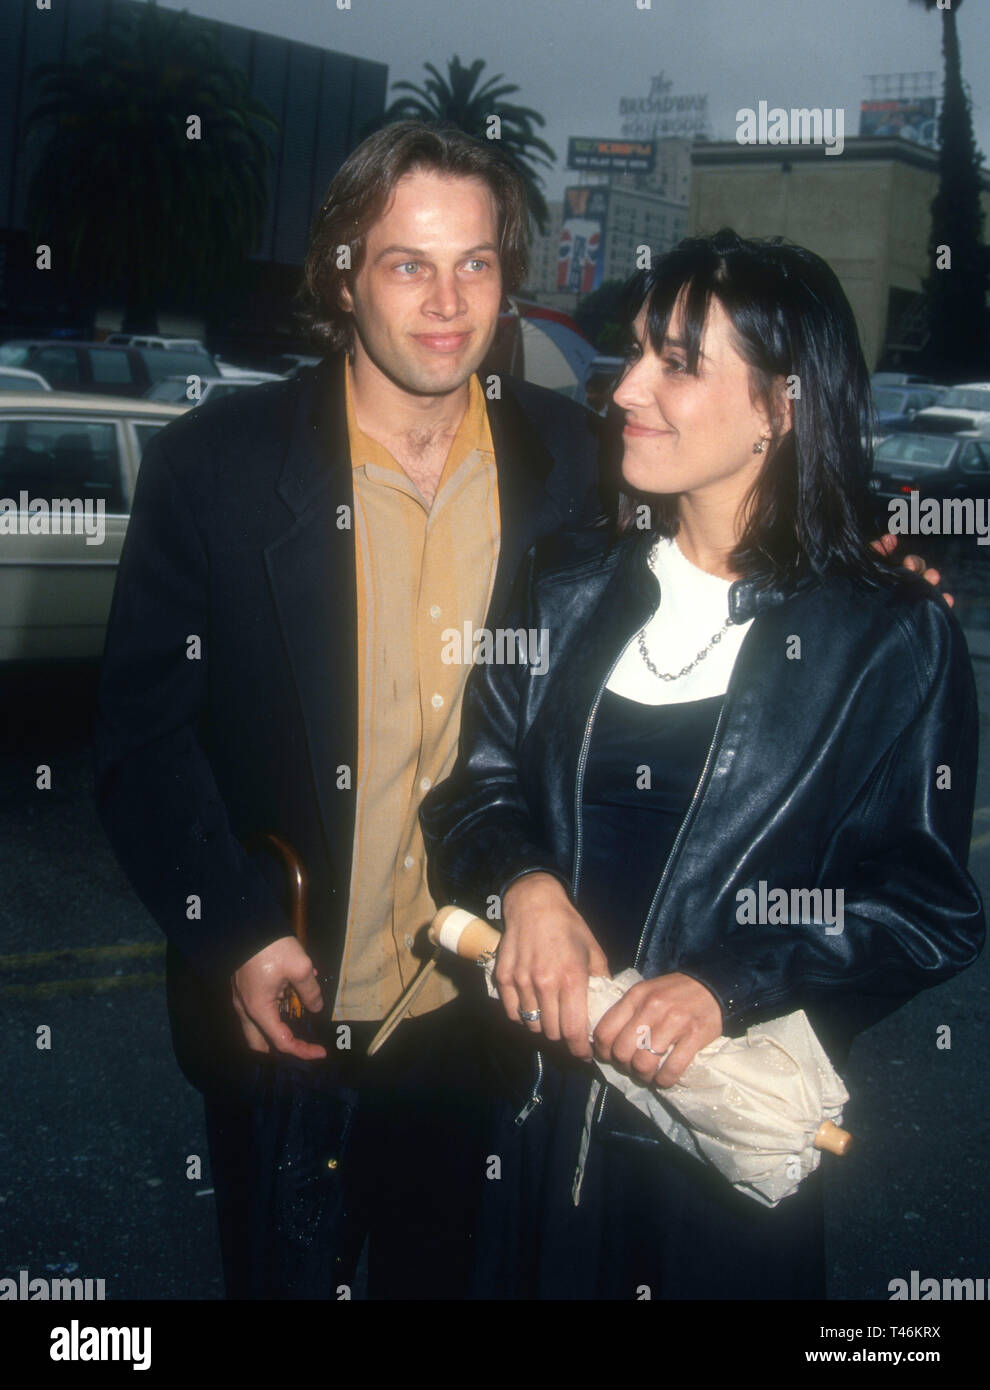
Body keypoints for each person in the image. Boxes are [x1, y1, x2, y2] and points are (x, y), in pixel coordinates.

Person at [420, 229, 984, 1300]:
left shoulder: (891, 638)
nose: (625, 386)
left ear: (783, 405)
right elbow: (474, 787)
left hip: (710, 1173)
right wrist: (525, 884)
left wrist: (727, 982)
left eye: (677, 362)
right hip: (528, 1128)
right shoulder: (561, 581)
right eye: (636, 350)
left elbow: (926, 906)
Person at [93, 121, 603, 1299]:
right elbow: (142, 743)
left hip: (485, 1022)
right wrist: (230, 928)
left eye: (475, 263)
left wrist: (881, 577)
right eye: (408, 263)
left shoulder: (574, 461)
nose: (447, 302)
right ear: (342, 273)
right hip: (298, 1016)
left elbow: (738, 536)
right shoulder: (214, 469)